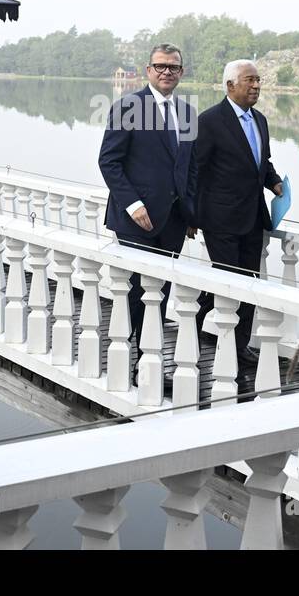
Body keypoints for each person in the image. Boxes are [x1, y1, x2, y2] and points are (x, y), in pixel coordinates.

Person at [97, 44, 198, 383]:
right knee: (139, 293)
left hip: (172, 221)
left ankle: (148, 363)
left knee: (161, 293)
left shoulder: (187, 112)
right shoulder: (128, 106)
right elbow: (108, 161)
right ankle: (132, 361)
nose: (167, 72)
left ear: (181, 72)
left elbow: (190, 167)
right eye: (160, 66)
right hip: (134, 219)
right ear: (148, 70)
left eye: (173, 67)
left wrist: (190, 213)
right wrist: (133, 204)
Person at [193, 59, 283, 367]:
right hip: (220, 220)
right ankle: (211, 334)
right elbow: (196, 171)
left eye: (258, 80)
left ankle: (239, 345)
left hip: (253, 218)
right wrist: (191, 216)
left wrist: (274, 182)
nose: (257, 85)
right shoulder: (209, 121)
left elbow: (262, 162)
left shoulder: (260, 120)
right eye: (250, 80)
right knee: (229, 283)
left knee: (251, 283)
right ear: (231, 85)